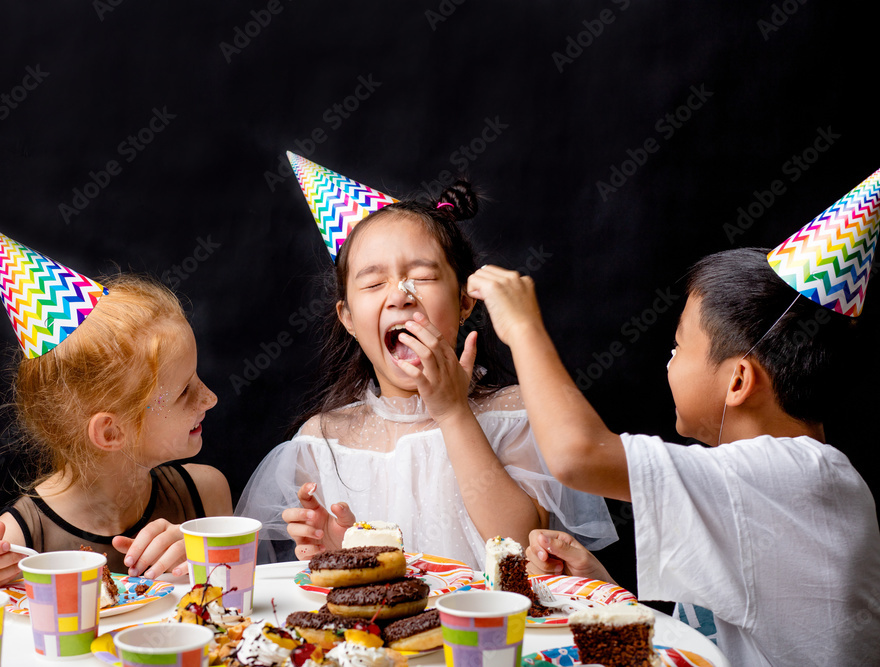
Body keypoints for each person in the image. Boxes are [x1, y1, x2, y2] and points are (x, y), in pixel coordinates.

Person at [467, 249, 880, 666]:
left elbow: (577, 454)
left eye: (679, 347)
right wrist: (602, 586)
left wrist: (522, 327)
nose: (668, 363)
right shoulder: (781, 480)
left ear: (738, 380)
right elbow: (702, 640)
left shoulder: (792, 477)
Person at [236, 176, 616, 569]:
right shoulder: (322, 440)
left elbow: (520, 552)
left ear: (464, 301)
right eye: (373, 282)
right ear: (347, 318)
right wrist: (338, 553)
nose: (400, 293)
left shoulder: (515, 414)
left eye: (423, 277)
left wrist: (453, 412)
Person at [0, 223, 231, 606]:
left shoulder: (205, 496)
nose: (211, 398)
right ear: (110, 432)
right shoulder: (18, 542)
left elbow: (237, 620)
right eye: (185, 391)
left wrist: (212, 560)